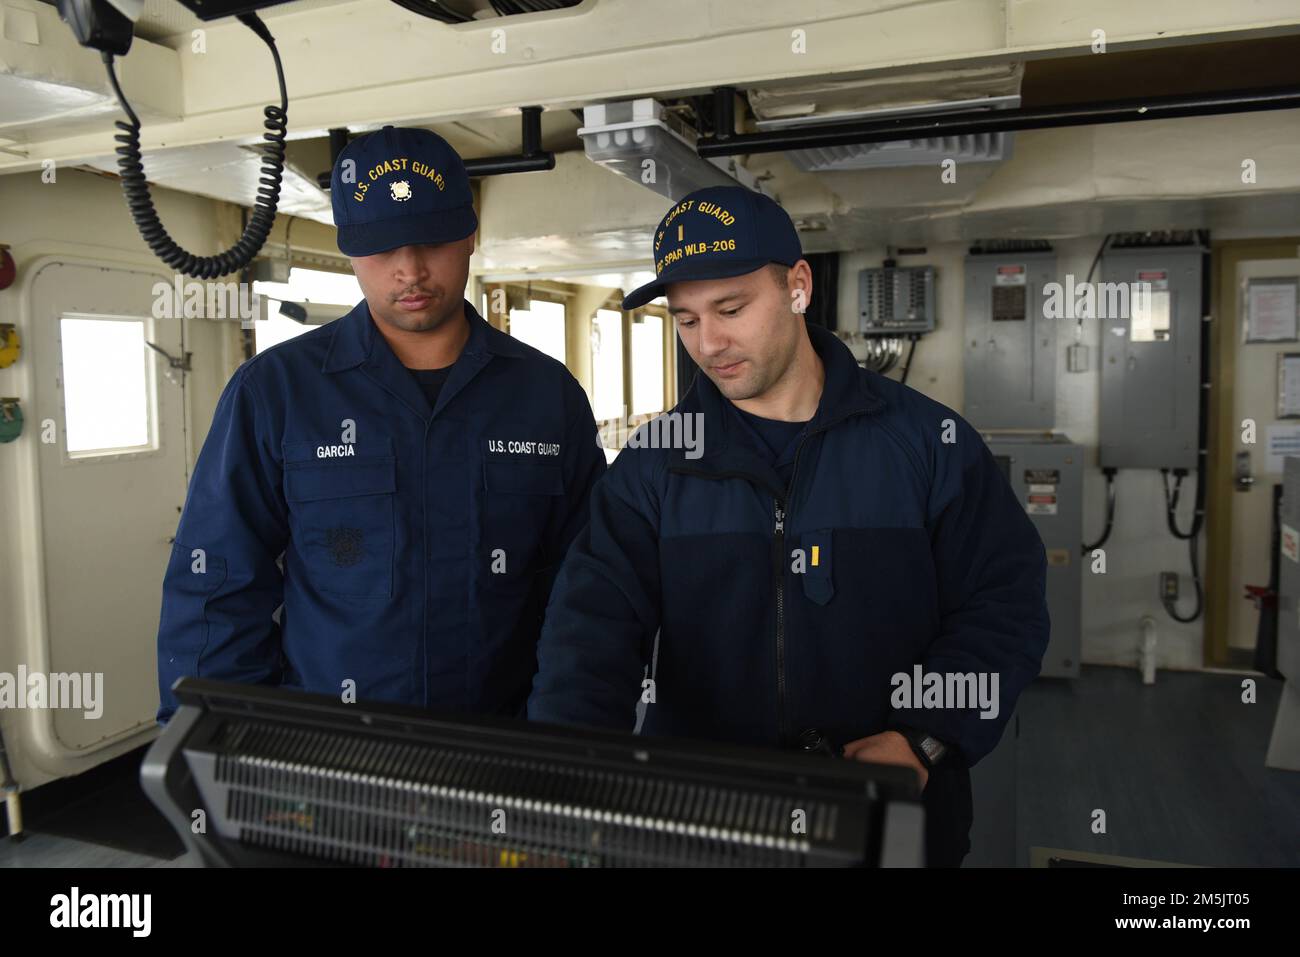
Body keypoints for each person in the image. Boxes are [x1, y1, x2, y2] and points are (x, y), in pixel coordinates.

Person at [527, 184, 1049, 866]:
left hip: (885, 813)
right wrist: (567, 782)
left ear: (798, 287)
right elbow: (588, 631)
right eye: (685, 320)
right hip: (709, 818)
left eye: (731, 308)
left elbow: (1004, 600)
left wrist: (923, 736)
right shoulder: (655, 467)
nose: (708, 343)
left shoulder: (927, 444)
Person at [156, 126, 605, 722]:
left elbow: (586, 588)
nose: (410, 271)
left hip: (506, 747)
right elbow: (216, 586)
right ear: (348, 247)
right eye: (382, 248)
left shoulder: (547, 397)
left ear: (470, 234)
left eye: (433, 242)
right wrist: (207, 750)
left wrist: (568, 736)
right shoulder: (277, 393)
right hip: (333, 751)